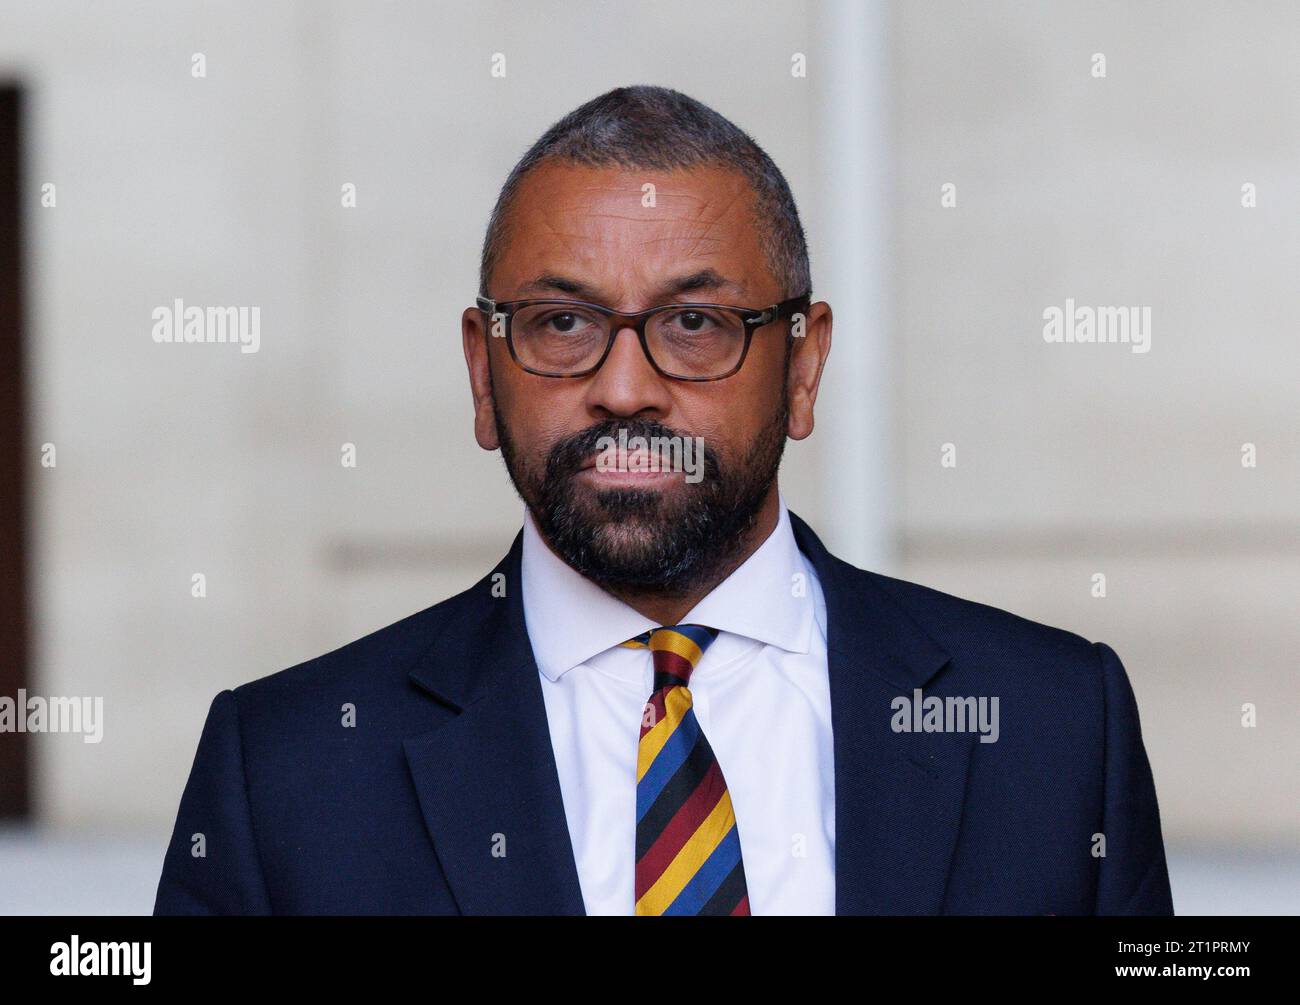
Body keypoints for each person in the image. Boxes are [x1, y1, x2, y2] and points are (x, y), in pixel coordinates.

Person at [154, 85, 1174, 916]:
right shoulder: (285, 771)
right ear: (483, 369)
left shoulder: (1051, 727)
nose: (627, 386)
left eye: (694, 322)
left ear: (803, 364)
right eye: (561, 323)